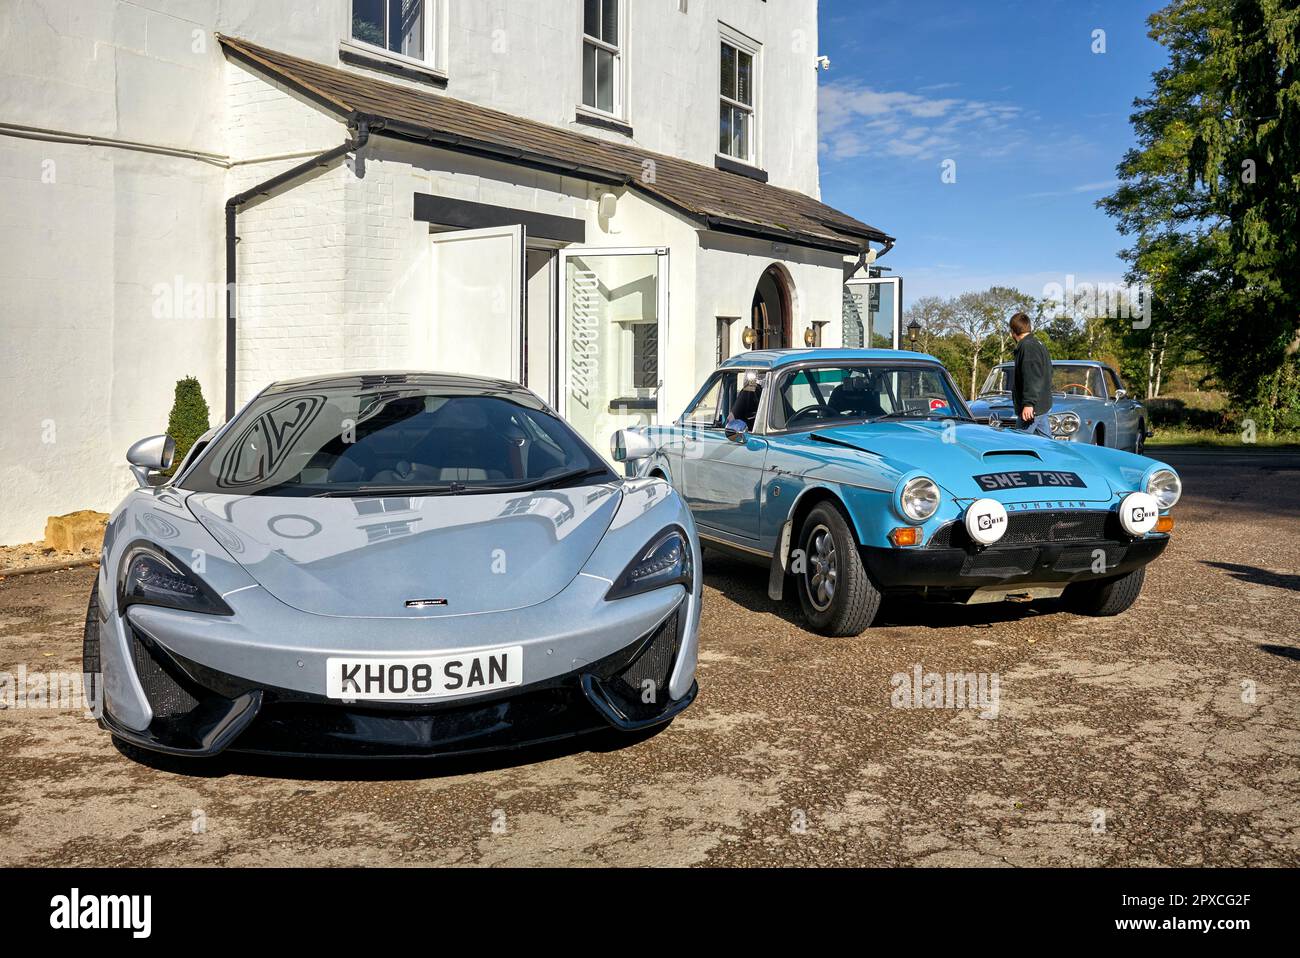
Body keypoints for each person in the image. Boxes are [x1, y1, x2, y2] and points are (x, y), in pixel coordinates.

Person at [1009, 312, 1052, 438]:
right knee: (1047, 444)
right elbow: (1047, 373)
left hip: (1033, 408)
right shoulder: (1038, 344)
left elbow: (1032, 376)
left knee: (1019, 443)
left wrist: (1029, 404)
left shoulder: (1027, 346)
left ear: (1013, 331)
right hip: (1042, 405)